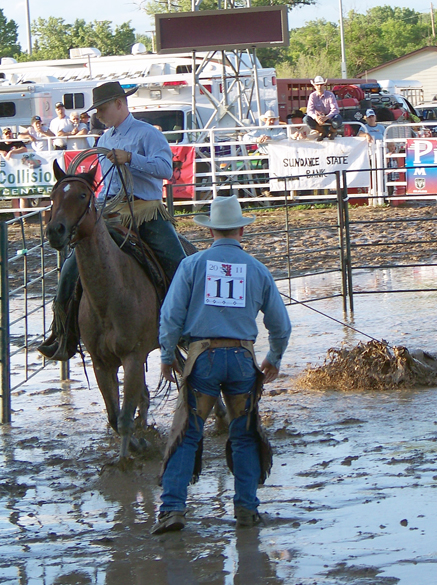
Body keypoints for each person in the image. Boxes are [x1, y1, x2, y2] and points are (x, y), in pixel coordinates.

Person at [152, 194, 291, 535]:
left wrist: (167, 355)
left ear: (210, 231)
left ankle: (172, 509)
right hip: (243, 359)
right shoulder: (258, 270)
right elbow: (281, 325)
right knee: (244, 435)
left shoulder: (192, 265)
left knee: (186, 434)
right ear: (242, 230)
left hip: (202, 359)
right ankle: (246, 508)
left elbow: (170, 316)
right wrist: (273, 358)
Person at [38, 81, 186, 361]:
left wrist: (130, 158)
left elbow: (166, 169)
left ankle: (186, 329)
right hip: (110, 211)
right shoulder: (103, 140)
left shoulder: (147, 134)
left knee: (177, 262)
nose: (99, 115)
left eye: (103, 108)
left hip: (145, 209)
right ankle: (64, 334)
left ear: (120, 103)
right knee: (72, 267)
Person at [304, 75, 343, 141]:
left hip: (329, 117)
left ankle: (331, 131)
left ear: (324, 85)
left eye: (321, 84)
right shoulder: (312, 96)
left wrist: (327, 117)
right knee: (306, 119)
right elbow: (309, 110)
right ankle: (322, 131)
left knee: (338, 118)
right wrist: (316, 117)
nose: (319, 86)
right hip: (318, 118)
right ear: (315, 86)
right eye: (317, 85)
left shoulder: (330, 94)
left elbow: (335, 109)